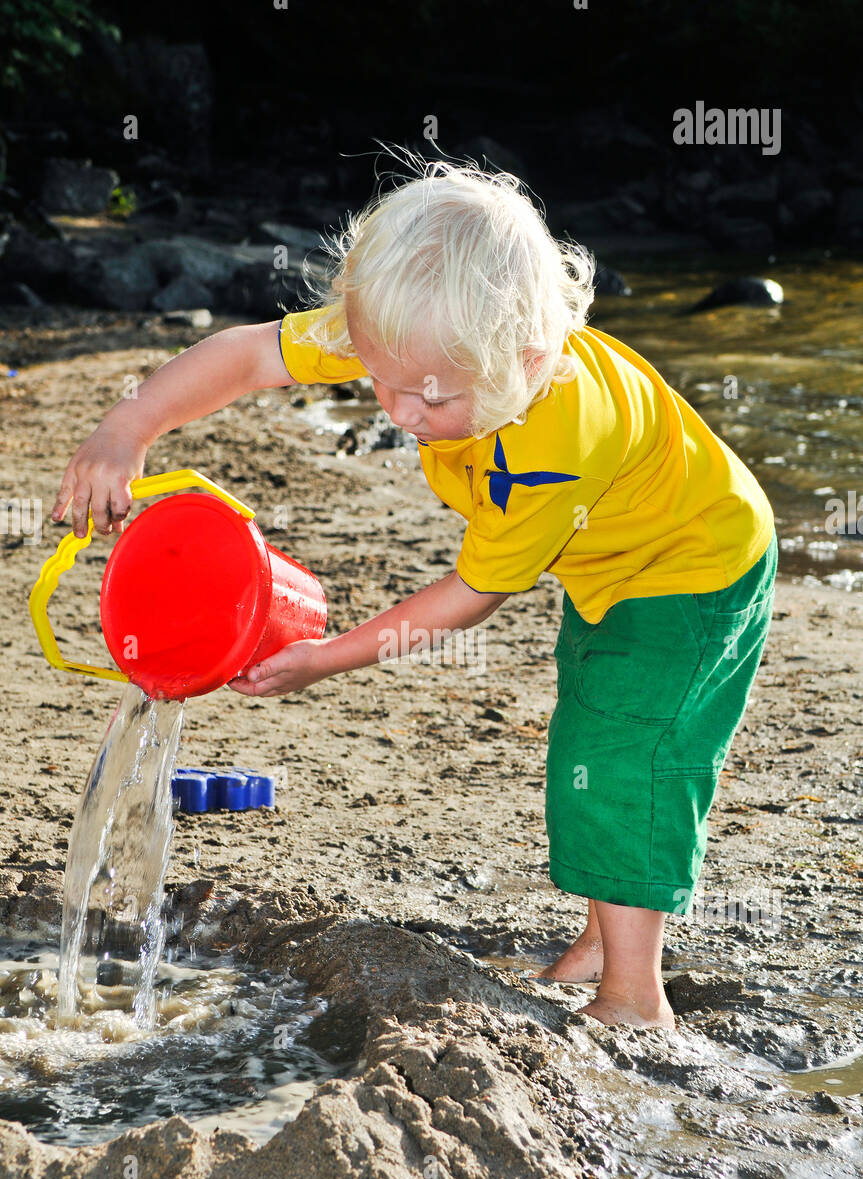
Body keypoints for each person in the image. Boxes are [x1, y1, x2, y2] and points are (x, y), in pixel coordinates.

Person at [52, 160, 777, 1030]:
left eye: (431, 396)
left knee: (625, 754)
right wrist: (129, 425)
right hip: (607, 567)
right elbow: (246, 355)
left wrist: (327, 658)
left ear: (528, 361)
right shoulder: (409, 332)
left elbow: (470, 595)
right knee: (591, 731)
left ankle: (636, 995)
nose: (397, 411)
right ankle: (599, 944)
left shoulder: (554, 443)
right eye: (378, 380)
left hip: (693, 571)